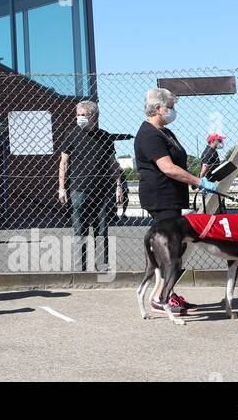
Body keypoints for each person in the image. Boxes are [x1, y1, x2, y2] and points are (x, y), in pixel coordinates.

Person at [134, 87, 218, 315]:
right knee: (170, 251)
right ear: (158, 108)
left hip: (173, 196)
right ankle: (160, 298)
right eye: (170, 107)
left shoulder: (166, 133)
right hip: (161, 197)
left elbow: (178, 164)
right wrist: (199, 182)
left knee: (175, 249)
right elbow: (167, 168)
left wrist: (193, 179)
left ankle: (168, 293)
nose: (172, 111)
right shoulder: (149, 134)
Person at [56, 101, 132, 272]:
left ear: (94, 117)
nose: (80, 118)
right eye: (79, 115)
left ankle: (102, 267)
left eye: (84, 115)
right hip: (79, 190)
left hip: (103, 192)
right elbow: (64, 162)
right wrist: (62, 187)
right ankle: (80, 268)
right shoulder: (71, 135)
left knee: (102, 231)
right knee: (79, 232)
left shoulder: (105, 137)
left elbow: (113, 164)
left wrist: (119, 185)